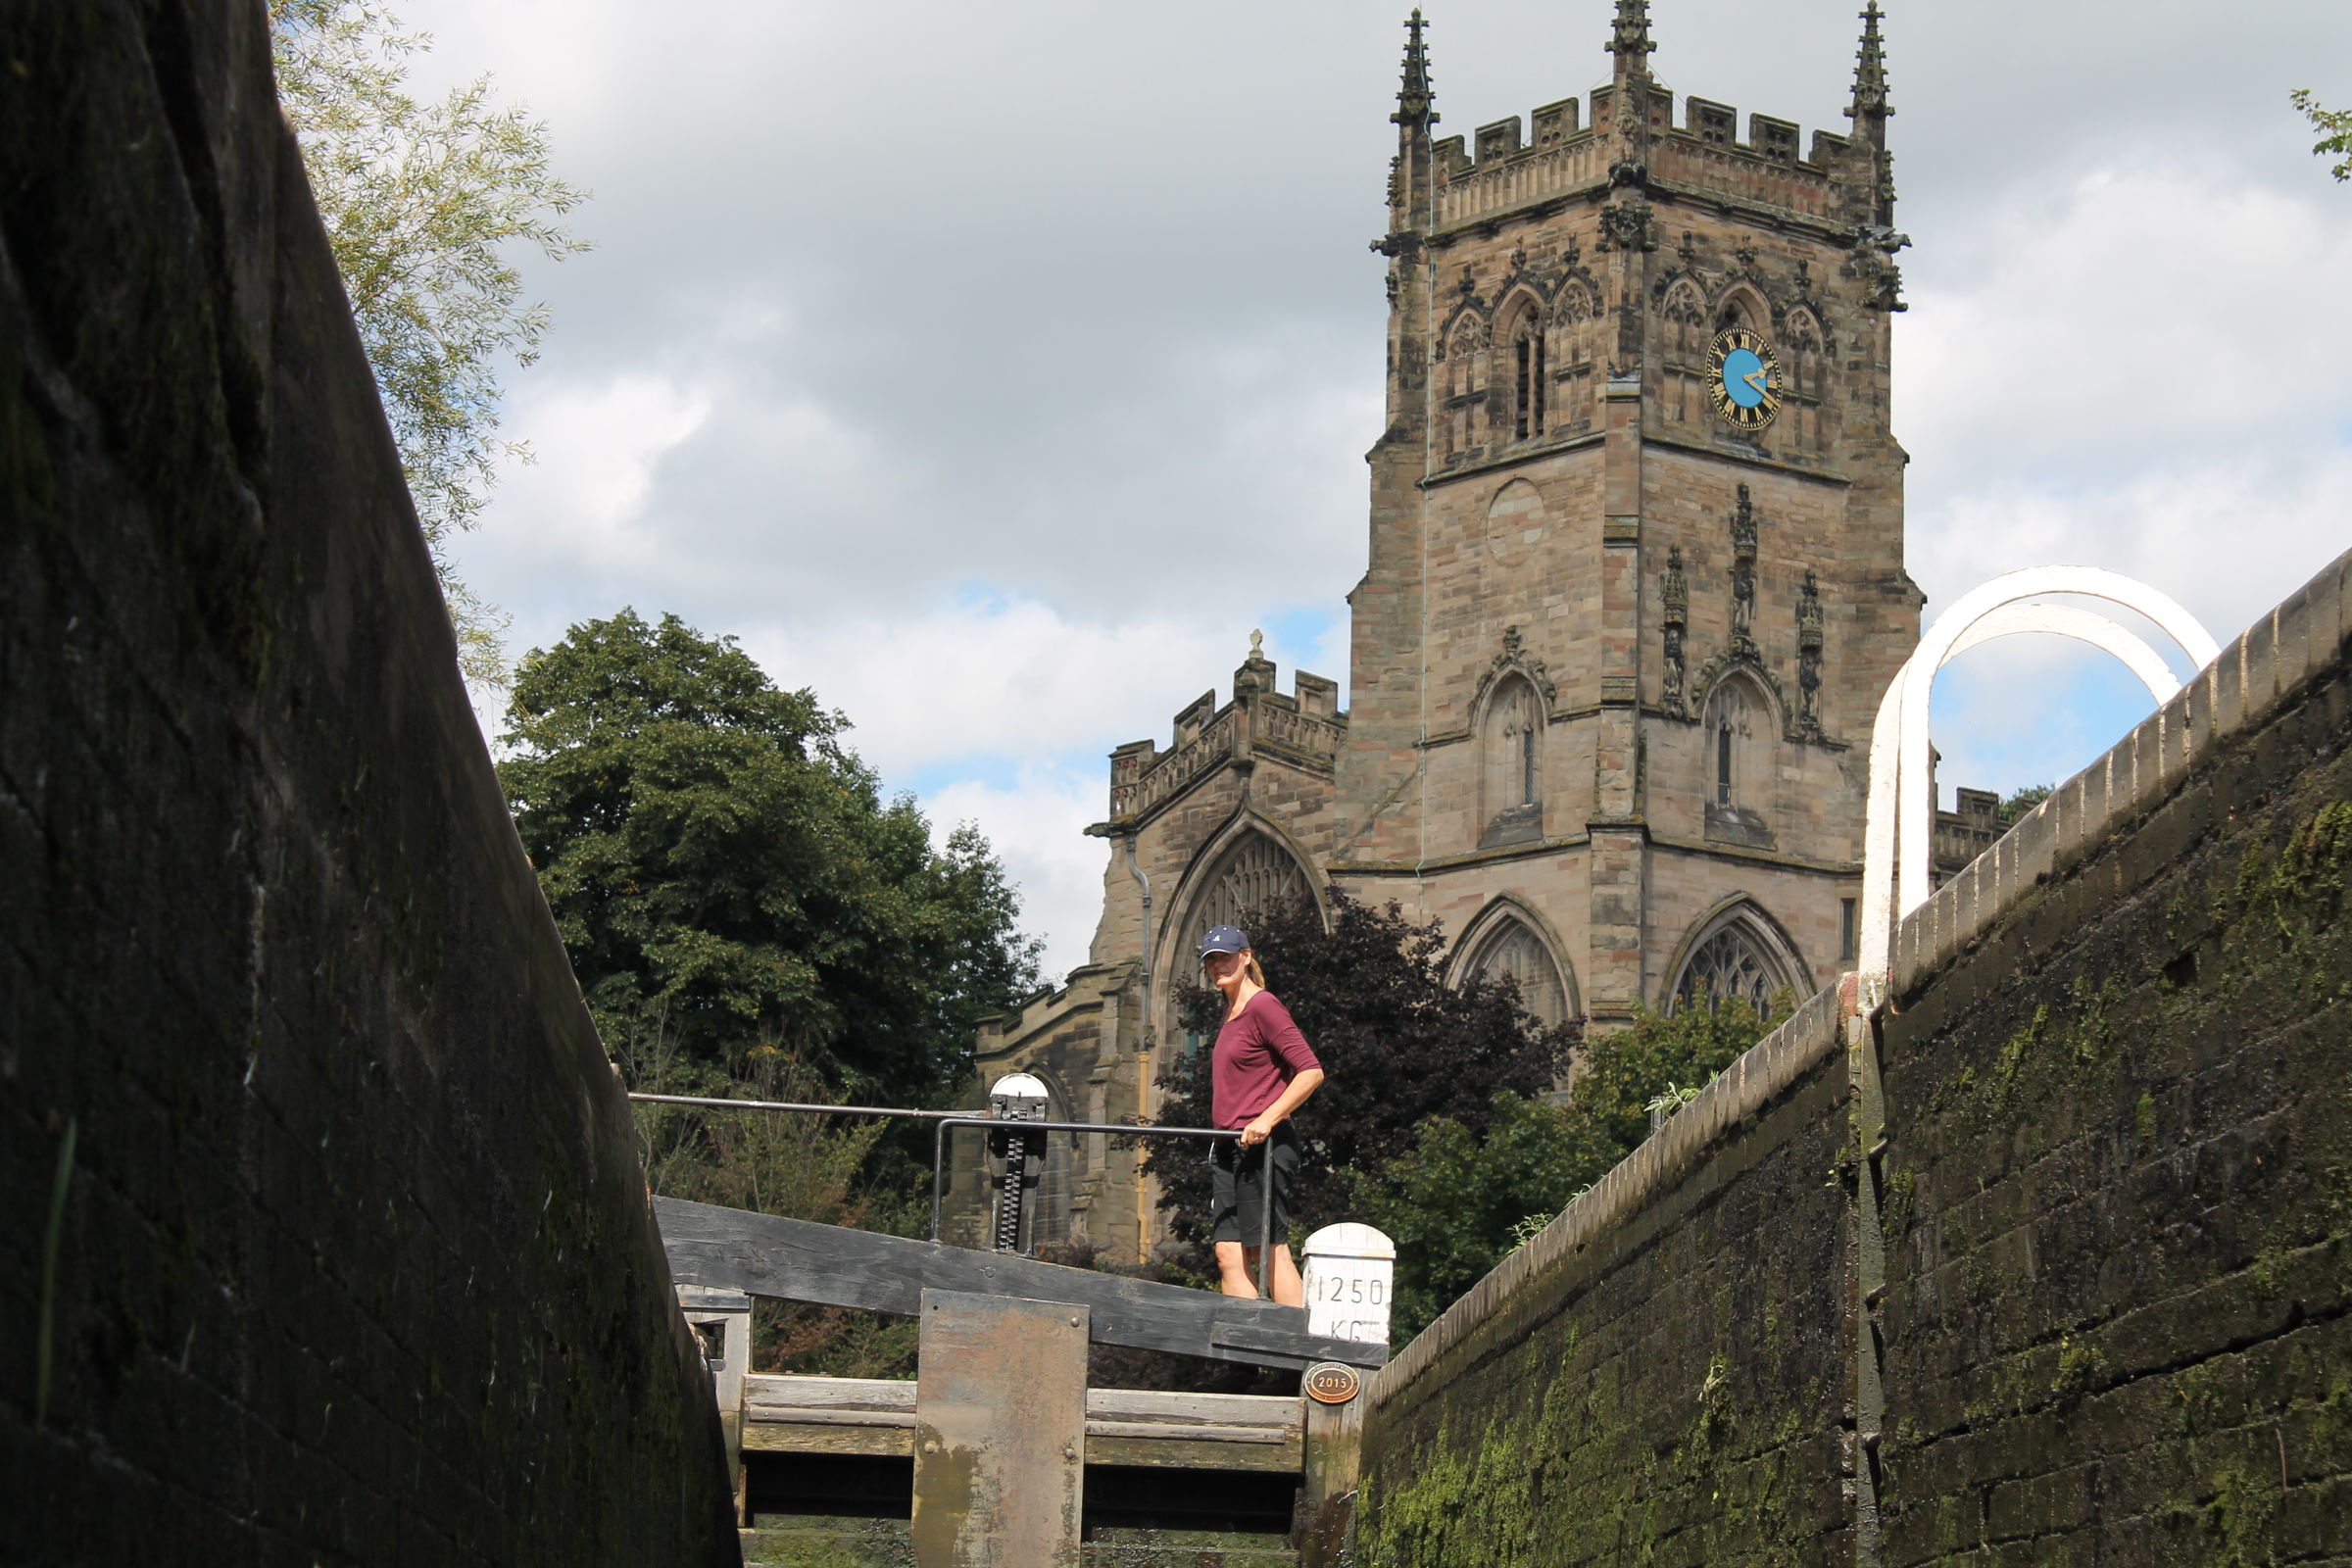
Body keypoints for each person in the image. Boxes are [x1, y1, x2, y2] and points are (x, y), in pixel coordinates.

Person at [1199, 923, 1324, 1304]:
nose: (1219, 966)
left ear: (1246, 957)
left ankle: (1301, 1354)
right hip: (1225, 1145)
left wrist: (1267, 1119)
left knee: (1268, 1250)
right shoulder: (1230, 1012)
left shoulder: (1263, 1006)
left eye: (1227, 958)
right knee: (1228, 1255)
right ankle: (1244, 1360)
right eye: (1212, 961)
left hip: (1263, 1145)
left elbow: (1311, 1071)